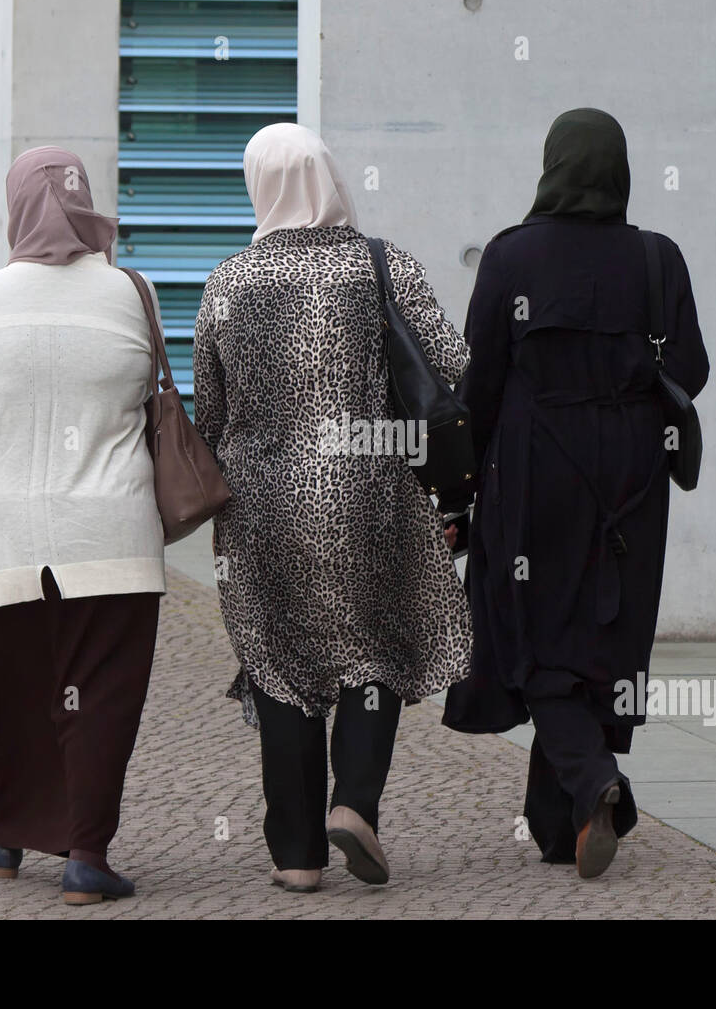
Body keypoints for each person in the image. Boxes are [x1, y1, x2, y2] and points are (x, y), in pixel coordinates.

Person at [194, 122, 472, 893]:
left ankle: (296, 855)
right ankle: (354, 803)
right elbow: (453, 366)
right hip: (369, 494)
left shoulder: (227, 282)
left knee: (279, 668)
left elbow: (209, 416)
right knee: (372, 649)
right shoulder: (383, 266)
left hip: (258, 509)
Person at [442, 108, 710, 878]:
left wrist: (458, 495)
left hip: (535, 471)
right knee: (604, 634)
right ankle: (557, 826)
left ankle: (596, 785)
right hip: (633, 478)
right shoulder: (659, 259)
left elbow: (481, 384)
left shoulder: (512, 255)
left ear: (552, 163)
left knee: (532, 638)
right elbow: (688, 368)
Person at [0, 146, 165, 905]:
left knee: (4, 686)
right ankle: (87, 855)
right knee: (100, 693)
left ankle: (2, 831)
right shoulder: (135, 293)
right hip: (111, 534)